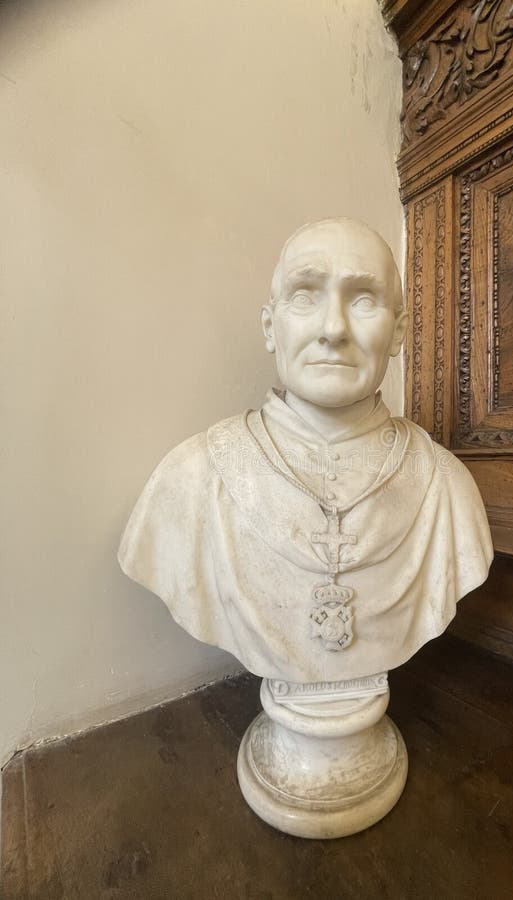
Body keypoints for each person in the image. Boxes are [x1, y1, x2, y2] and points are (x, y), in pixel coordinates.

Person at [118, 218, 493, 683]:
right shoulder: (191, 477)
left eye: (362, 299)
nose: (333, 329)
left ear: (398, 334)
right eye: (304, 296)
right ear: (271, 327)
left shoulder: (446, 486)